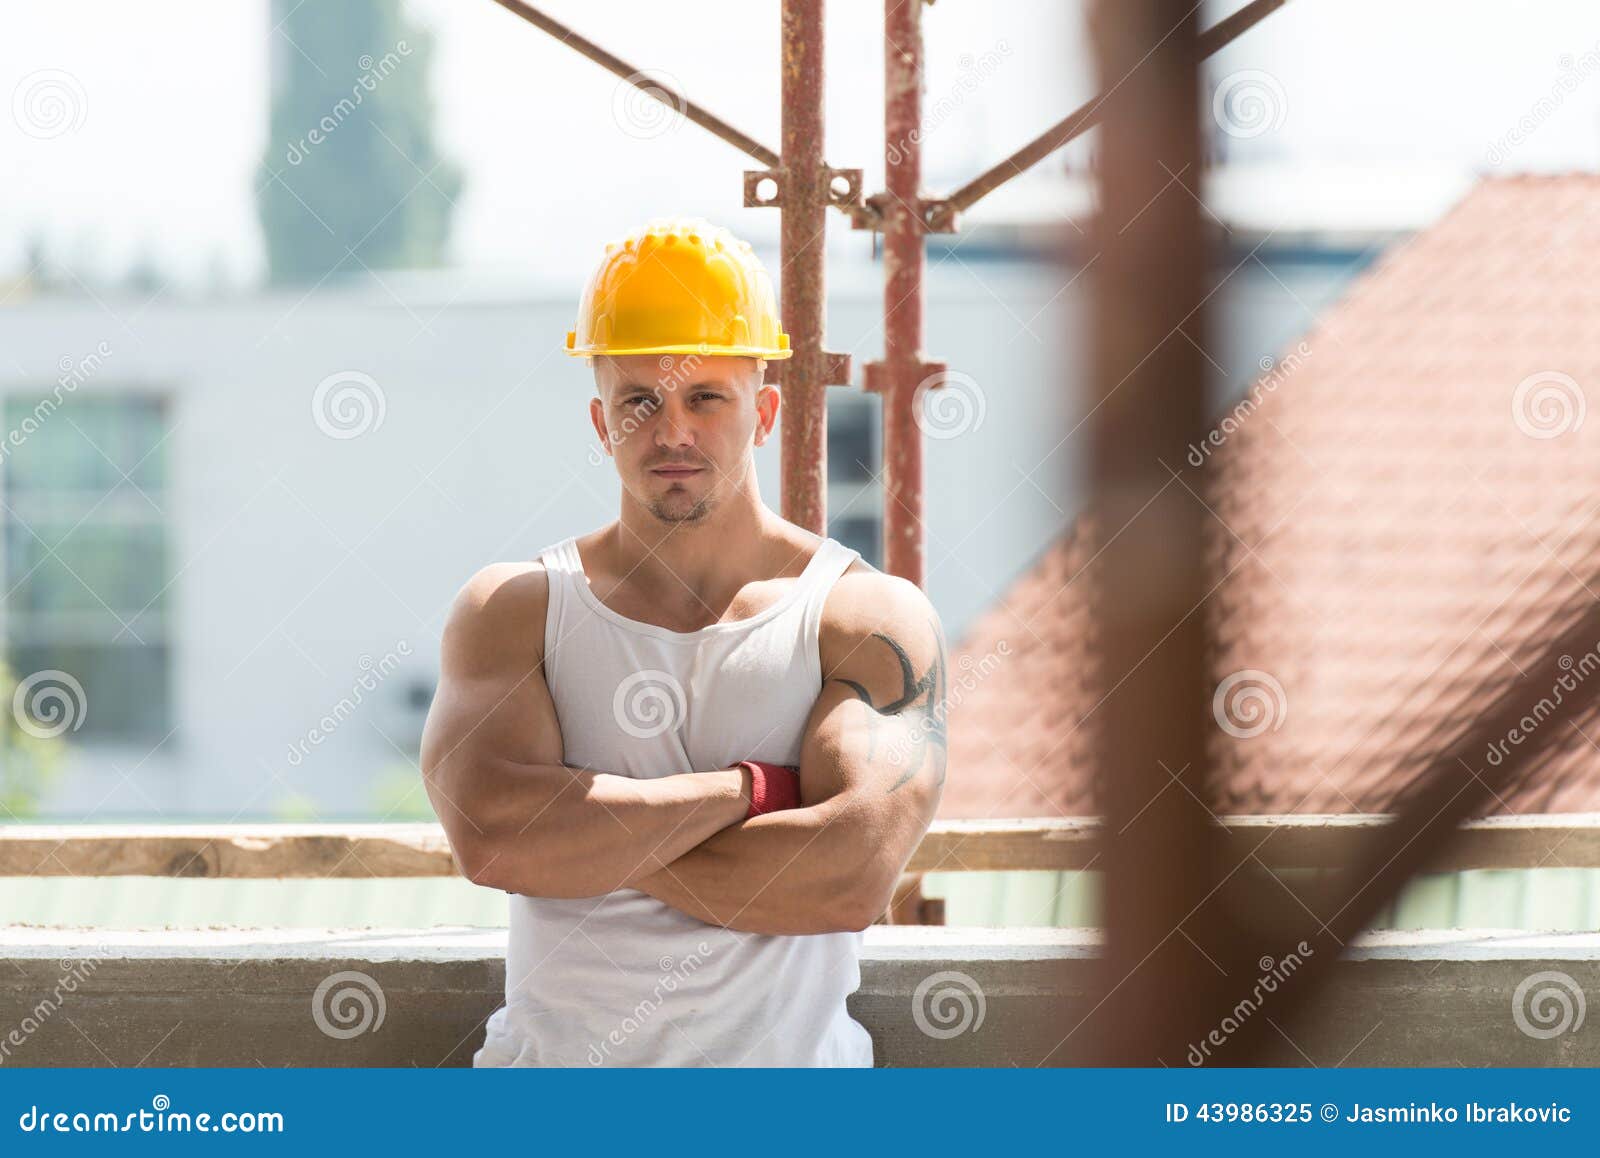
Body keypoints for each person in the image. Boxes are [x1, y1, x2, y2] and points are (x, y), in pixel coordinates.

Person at [420, 216, 947, 1067]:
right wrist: (749, 791)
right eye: (641, 401)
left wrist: (585, 840)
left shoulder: (862, 618)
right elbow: (494, 843)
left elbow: (849, 876)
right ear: (602, 421)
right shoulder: (513, 609)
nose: (672, 432)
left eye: (706, 396)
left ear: (765, 411)